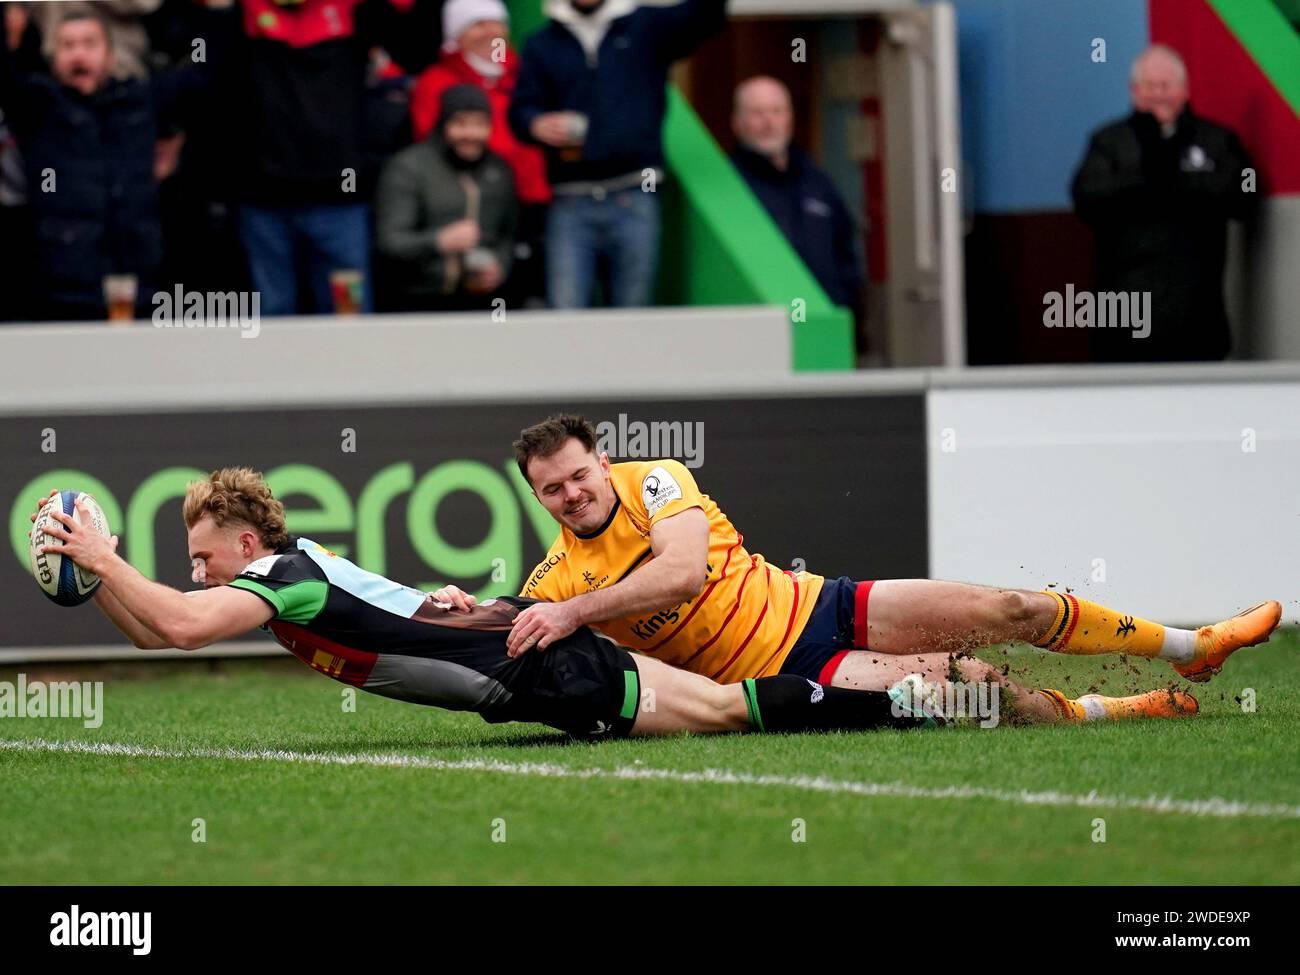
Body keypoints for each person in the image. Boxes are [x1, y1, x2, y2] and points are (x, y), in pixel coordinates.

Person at [433, 414, 1281, 724]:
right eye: (553, 489)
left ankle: (1192, 643)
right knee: (976, 685)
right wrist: (459, 603)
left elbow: (683, 573)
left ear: (601, 459)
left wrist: (580, 612)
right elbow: (514, 618)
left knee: (1013, 605)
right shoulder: (555, 573)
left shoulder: (655, 479)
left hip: (824, 603)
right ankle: (1122, 708)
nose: (572, 494)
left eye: (579, 475)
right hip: (802, 669)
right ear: (539, 498)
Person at [31, 471, 948, 741]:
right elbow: (170, 633)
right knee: (718, 705)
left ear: (244, 543)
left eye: (201, 558)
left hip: (534, 658)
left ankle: (903, 703)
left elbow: (185, 625)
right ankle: (893, 697)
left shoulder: (283, 578)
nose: (195, 577)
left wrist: (104, 555)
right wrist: (101, 577)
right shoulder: (283, 579)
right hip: (520, 663)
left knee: (721, 711)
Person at [508, 0, 727, 309]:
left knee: (632, 317)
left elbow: (706, 17)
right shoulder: (542, 44)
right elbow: (520, 110)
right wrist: (535, 123)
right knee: (564, 318)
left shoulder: (646, 27)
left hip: (635, 195)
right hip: (569, 202)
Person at [0, 6, 205, 320]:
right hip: (63, 290)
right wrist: (11, 34)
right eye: (67, 46)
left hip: (140, 284)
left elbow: (200, 69)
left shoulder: (139, 101)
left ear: (110, 56)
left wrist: (215, 12)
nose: (78, 55)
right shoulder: (38, 107)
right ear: (53, 59)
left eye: (89, 44)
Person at [1071, 44, 1258, 362]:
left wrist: (1182, 181)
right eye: (1149, 86)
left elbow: (1245, 196)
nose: (1158, 94)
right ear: (1134, 91)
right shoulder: (1108, 142)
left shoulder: (1216, 141)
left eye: (1166, 86)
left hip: (1198, 317)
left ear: (1184, 90)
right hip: (1124, 318)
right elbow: (1086, 199)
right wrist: (1147, 179)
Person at [410, 0, 549, 305]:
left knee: (532, 296)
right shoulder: (436, 82)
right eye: (477, 24)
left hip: (531, 203)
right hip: (473, 206)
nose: (490, 31)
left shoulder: (524, 73)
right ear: (457, 34)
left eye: (495, 22)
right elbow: (432, 146)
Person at [375, 84, 518, 310]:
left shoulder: (499, 170)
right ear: (443, 125)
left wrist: (500, 267)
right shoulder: (409, 167)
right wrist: (438, 241)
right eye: (460, 124)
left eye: (480, 124)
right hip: (419, 300)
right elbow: (389, 242)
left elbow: (508, 237)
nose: (470, 134)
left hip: (485, 303)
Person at [730, 76, 863, 318]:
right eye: (757, 113)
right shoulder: (730, 184)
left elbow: (845, 250)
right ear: (737, 123)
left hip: (825, 321)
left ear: (789, 118)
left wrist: (846, 303)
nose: (768, 122)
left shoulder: (817, 182)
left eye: (776, 111)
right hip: (763, 324)